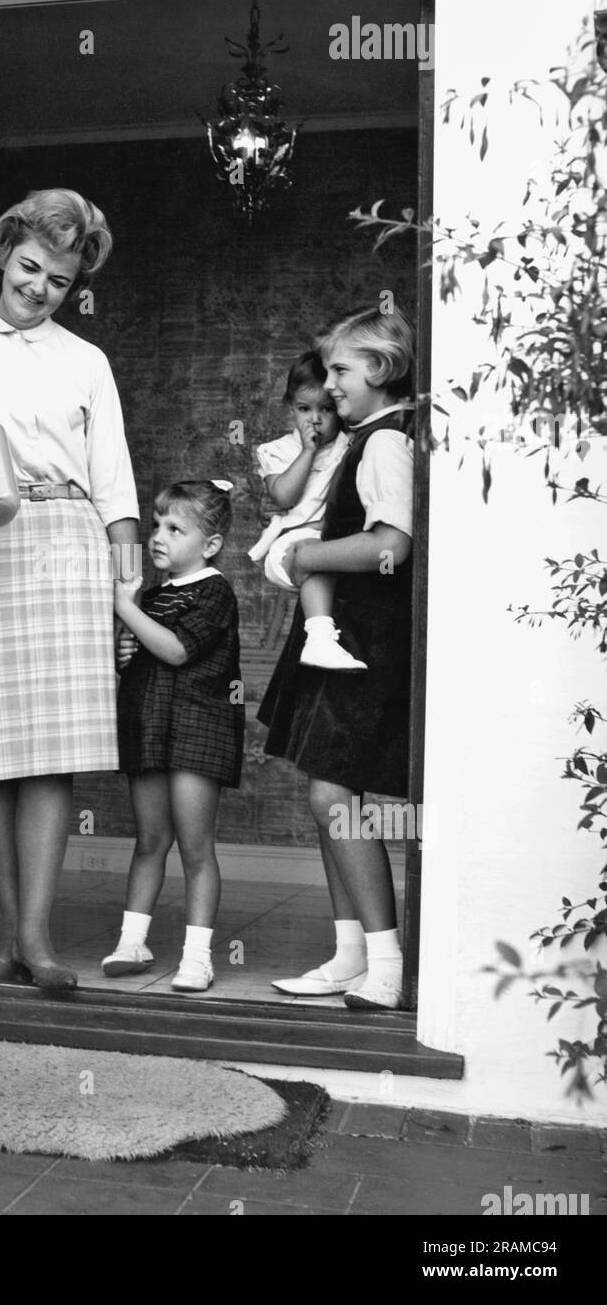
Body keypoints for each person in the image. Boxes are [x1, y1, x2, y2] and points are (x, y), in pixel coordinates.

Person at [0, 188, 140, 990]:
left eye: (57, 278)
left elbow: (111, 471)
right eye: (29, 266)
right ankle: (7, 936)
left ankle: (37, 940)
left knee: (51, 756)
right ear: (5, 252)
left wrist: (126, 558)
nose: (38, 287)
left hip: (69, 543)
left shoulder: (86, 361)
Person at [259, 307, 415, 1010]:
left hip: (366, 638)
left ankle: (385, 961)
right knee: (326, 794)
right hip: (341, 633)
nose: (332, 384)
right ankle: (349, 952)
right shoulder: (360, 438)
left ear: (379, 371)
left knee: (334, 797)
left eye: (344, 371)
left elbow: (391, 545)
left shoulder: (386, 444)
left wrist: (305, 554)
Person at [103, 480, 244, 993]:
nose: (158, 536)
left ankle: (197, 956)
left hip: (196, 735)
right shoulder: (155, 595)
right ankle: (131, 941)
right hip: (151, 732)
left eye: (174, 529)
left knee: (195, 847)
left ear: (209, 545)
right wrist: (129, 653)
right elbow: (148, 654)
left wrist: (126, 610)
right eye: (156, 525)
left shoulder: (214, 591)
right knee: (149, 840)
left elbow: (179, 651)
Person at [249, 351, 360, 669]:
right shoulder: (277, 451)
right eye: (304, 408)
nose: (315, 418)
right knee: (315, 555)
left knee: (330, 557)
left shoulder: (348, 443)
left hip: (333, 540)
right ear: (290, 408)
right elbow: (283, 496)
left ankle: (327, 640)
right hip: (288, 543)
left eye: (326, 408)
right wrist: (308, 451)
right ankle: (320, 638)